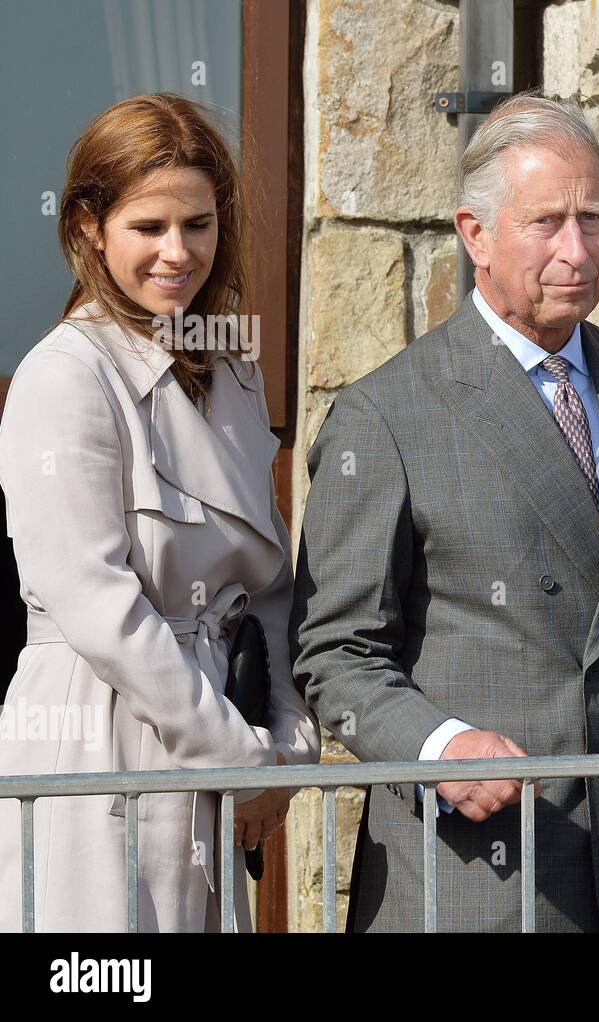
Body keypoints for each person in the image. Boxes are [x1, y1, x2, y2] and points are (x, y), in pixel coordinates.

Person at [291, 94, 599, 933]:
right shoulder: (385, 415)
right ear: (475, 234)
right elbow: (333, 653)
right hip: (481, 877)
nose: (577, 250)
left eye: (594, 218)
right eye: (547, 222)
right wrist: (437, 748)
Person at [0, 93, 319, 933]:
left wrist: (284, 746)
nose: (178, 253)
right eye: (149, 227)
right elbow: (101, 609)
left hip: (216, 749)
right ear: (87, 230)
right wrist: (241, 758)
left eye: (200, 224)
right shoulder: (63, 376)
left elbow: (273, 587)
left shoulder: (235, 376)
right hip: (94, 743)